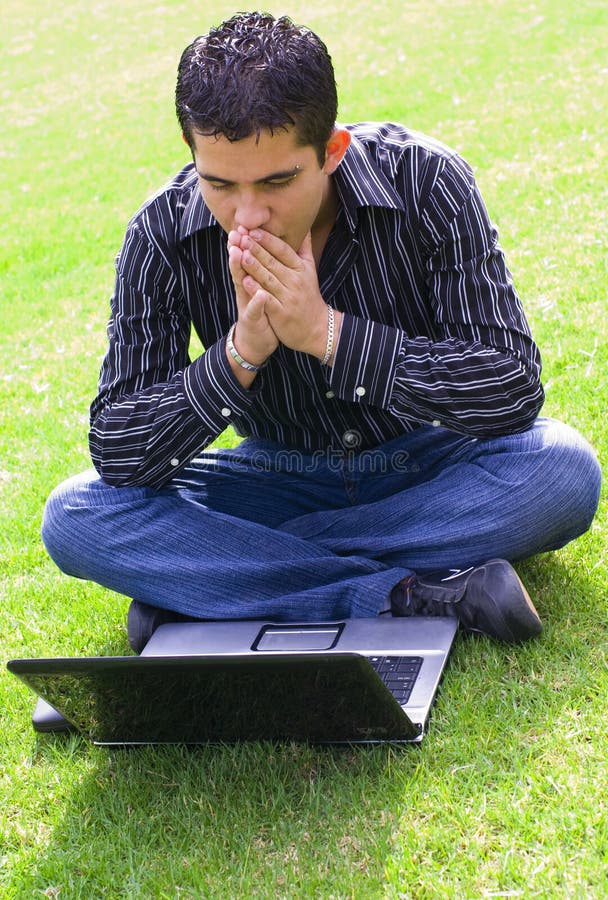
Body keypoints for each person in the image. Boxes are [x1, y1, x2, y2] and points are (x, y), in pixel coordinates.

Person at [42, 12, 601, 653]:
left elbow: (508, 386)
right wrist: (237, 355)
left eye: (276, 181)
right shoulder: (162, 233)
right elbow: (120, 451)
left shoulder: (427, 181)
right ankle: (409, 594)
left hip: (425, 462)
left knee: (562, 470)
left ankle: (228, 580)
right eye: (219, 183)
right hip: (276, 472)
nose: (247, 215)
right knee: (77, 515)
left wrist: (327, 333)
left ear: (331, 151)